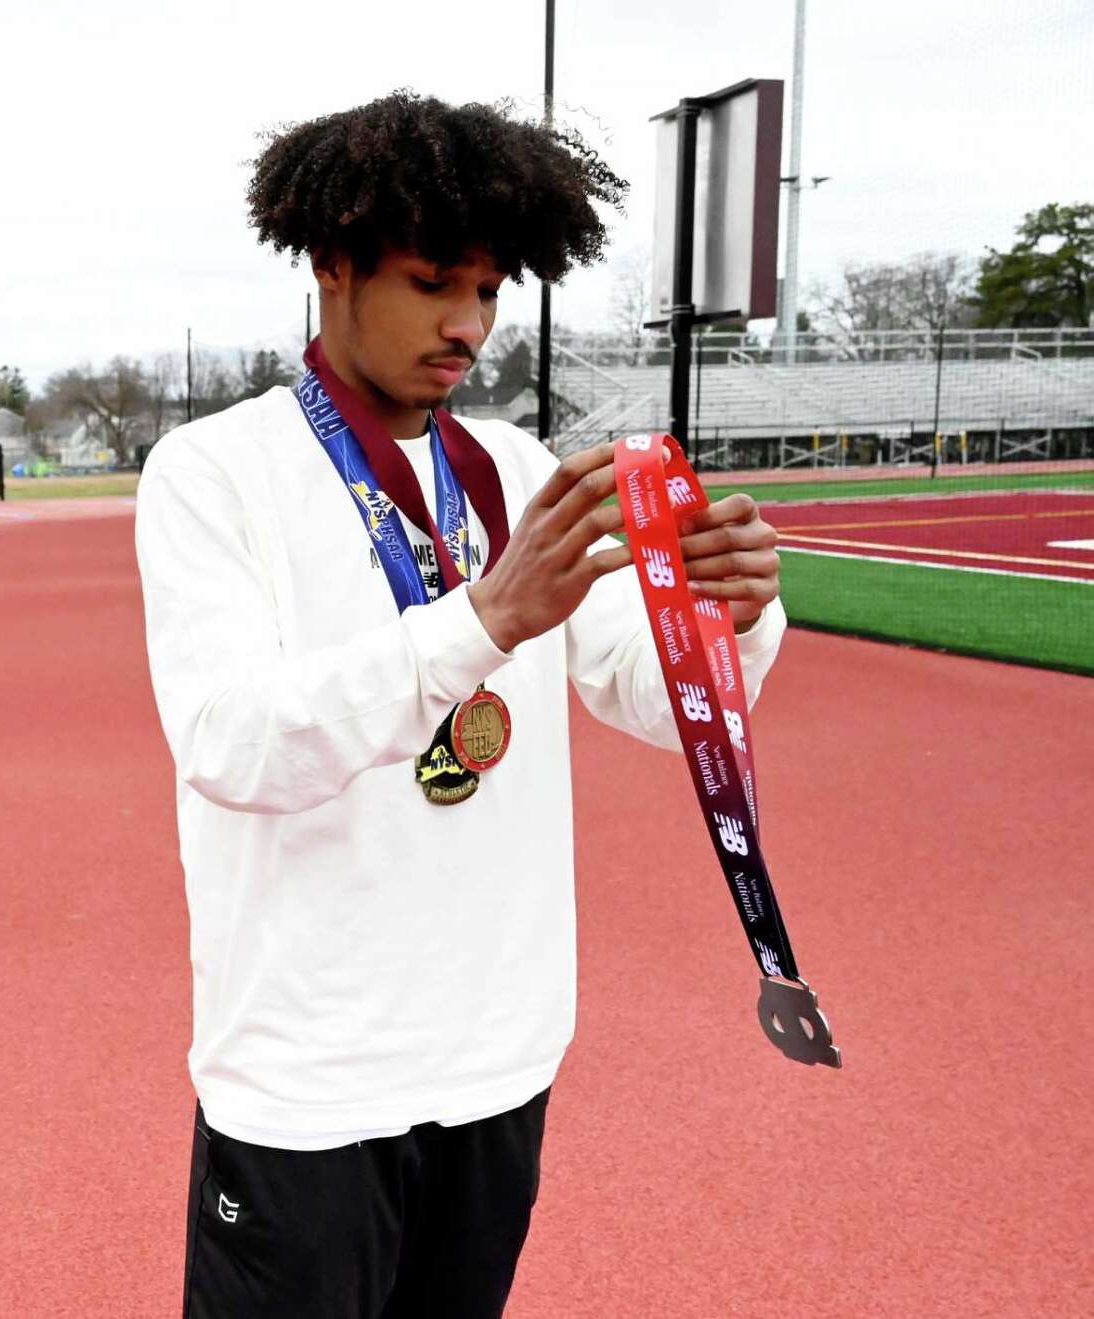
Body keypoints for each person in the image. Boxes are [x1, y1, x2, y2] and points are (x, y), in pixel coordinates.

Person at [134, 92, 786, 1318]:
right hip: (310, 1079)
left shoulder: (521, 471)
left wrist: (732, 617)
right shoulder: (213, 471)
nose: (468, 325)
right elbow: (233, 742)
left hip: (500, 1057)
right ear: (331, 263)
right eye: (436, 281)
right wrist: (481, 620)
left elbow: (647, 698)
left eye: (488, 290)